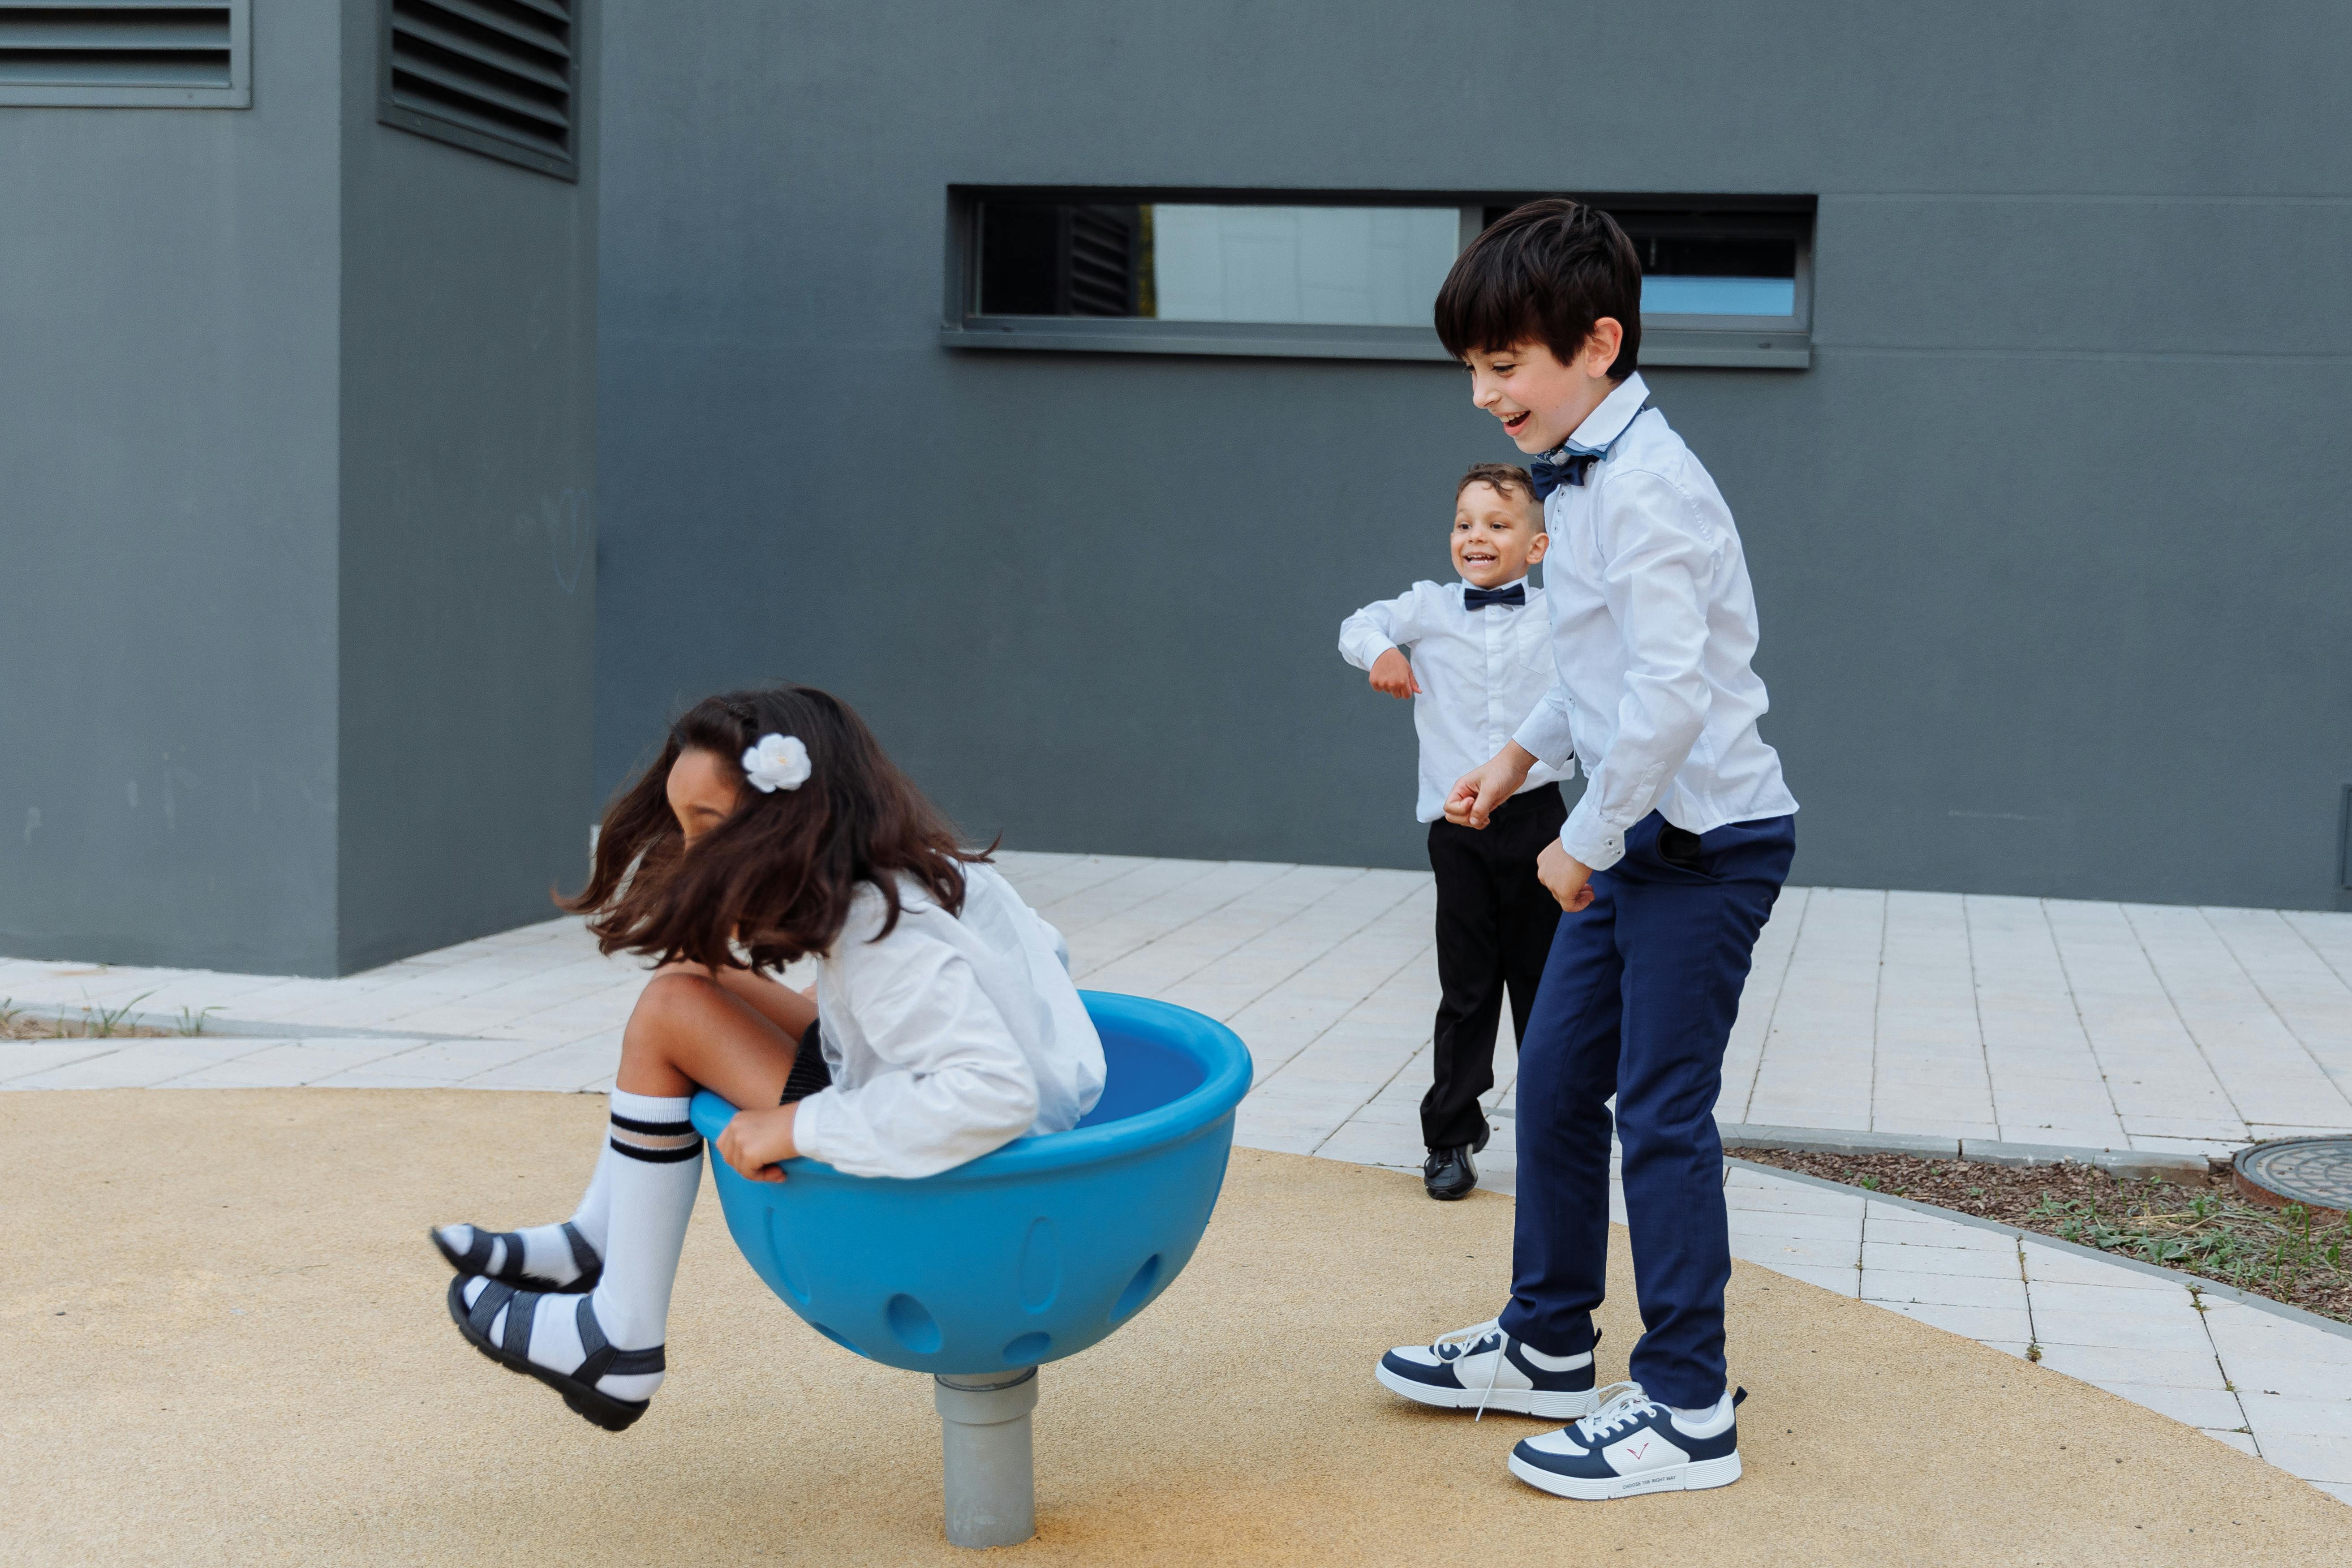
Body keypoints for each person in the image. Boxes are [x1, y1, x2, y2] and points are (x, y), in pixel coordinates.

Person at [1373, 199, 1798, 1501]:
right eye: (1472, 369)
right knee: (1555, 1085)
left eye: (1506, 364)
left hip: (1703, 844)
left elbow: (1669, 698)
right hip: (1631, 833)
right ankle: (1550, 1341)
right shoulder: (1583, 477)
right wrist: (1516, 759)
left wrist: (1582, 840)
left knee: (1660, 1109)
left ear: (1597, 342)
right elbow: (1594, 670)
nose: (1484, 393)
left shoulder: (1651, 486)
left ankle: (1685, 1404)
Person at [431, 685, 1105, 1431]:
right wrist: (861, 1009)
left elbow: (991, 1095)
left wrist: (793, 1129)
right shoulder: (926, 872)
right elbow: (1044, 953)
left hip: (979, 1165)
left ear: (794, 818)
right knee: (688, 971)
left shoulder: (887, 943)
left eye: (707, 828)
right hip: (973, 1113)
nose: (690, 859)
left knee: (669, 1013)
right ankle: (599, 1236)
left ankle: (620, 1336)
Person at [1338, 463, 1566, 1200]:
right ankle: (1451, 1133)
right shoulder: (1430, 608)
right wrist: (1381, 652)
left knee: (1546, 988)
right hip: (1458, 829)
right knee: (1467, 989)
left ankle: (1555, 1131)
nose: (1478, 537)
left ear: (1536, 547)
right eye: (1466, 523)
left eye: (1499, 525)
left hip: (1539, 822)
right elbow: (1359, 622)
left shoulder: (1559, 613)